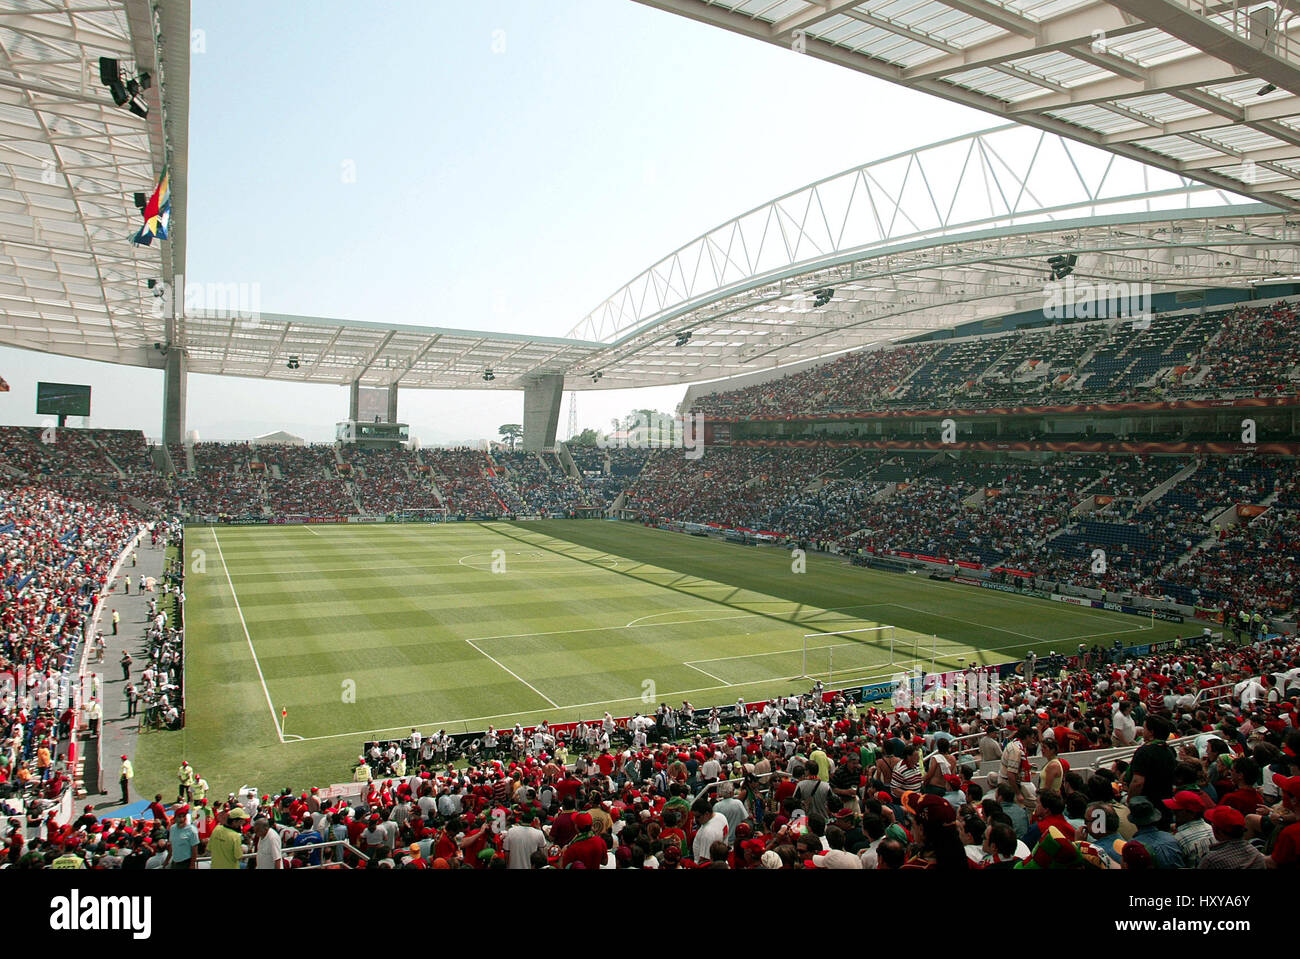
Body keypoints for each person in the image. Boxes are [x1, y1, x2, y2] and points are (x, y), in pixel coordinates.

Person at [166, 806, 201, 870]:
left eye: (184, 816)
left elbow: (195, 849)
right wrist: (167, 860)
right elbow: (172, 846)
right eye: (179, 816)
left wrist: (192, 865)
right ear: (175, 818)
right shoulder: (172, 828)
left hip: (186, 863)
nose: (182, 818)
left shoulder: (192, 830)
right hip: (174, 862)